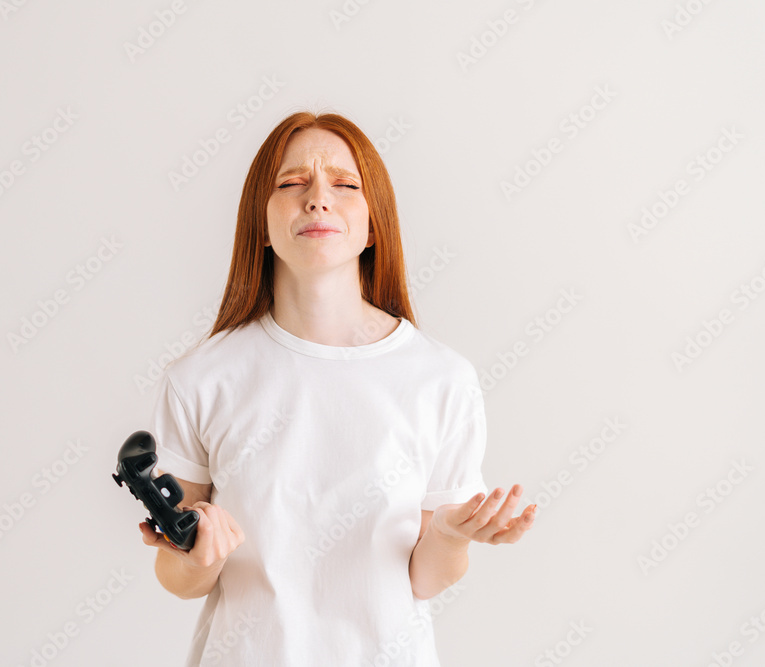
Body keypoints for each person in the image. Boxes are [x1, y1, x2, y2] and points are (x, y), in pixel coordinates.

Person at [139, 110, 536, 666]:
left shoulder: (440, 379)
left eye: (345, 185)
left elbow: (424, 579)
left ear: (374, 226)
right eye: (292, 183)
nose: (318, 199)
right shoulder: (201, 379)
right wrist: (199, 557)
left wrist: (449, 536)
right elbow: (178, 577)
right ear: (261, 225)